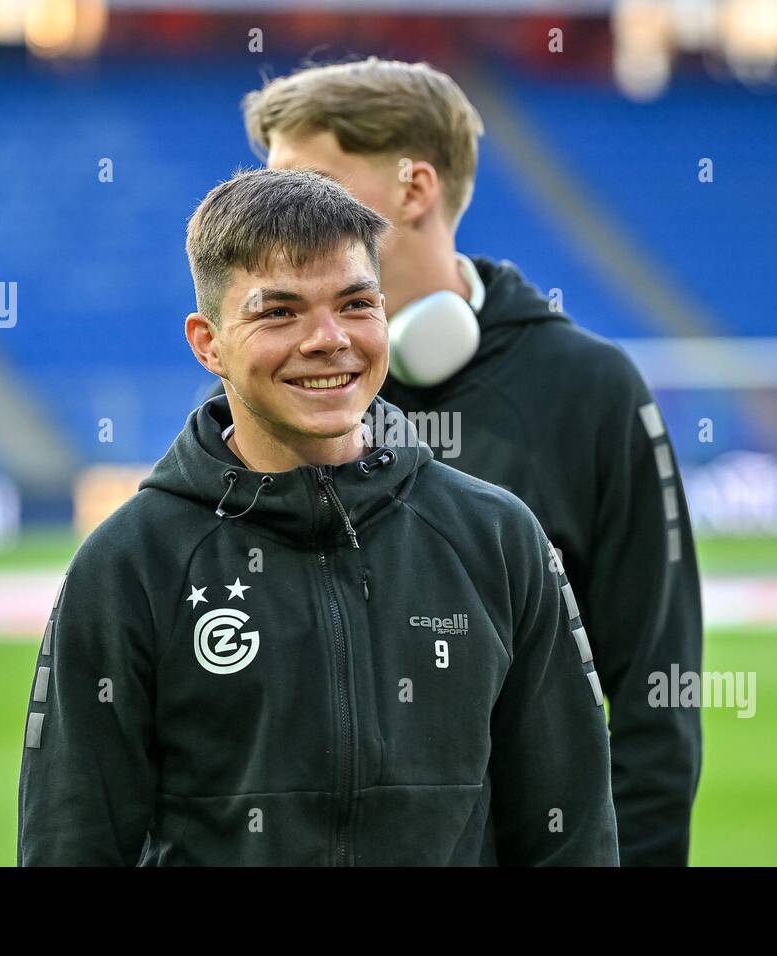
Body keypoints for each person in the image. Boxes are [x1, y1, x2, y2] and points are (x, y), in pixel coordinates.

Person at [17, 167, 618, 866]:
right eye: (280, 312)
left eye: (356, 304)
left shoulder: (498, 539)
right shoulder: (131, 563)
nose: (329, 339)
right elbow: (71, 840)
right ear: (207, 342)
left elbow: (570, 834)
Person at [231, 58, 705, 865]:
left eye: (309, 186)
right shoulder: (269, 384)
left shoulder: (590, 392)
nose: (279, 222)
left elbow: (655, 704)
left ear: (414, 189)